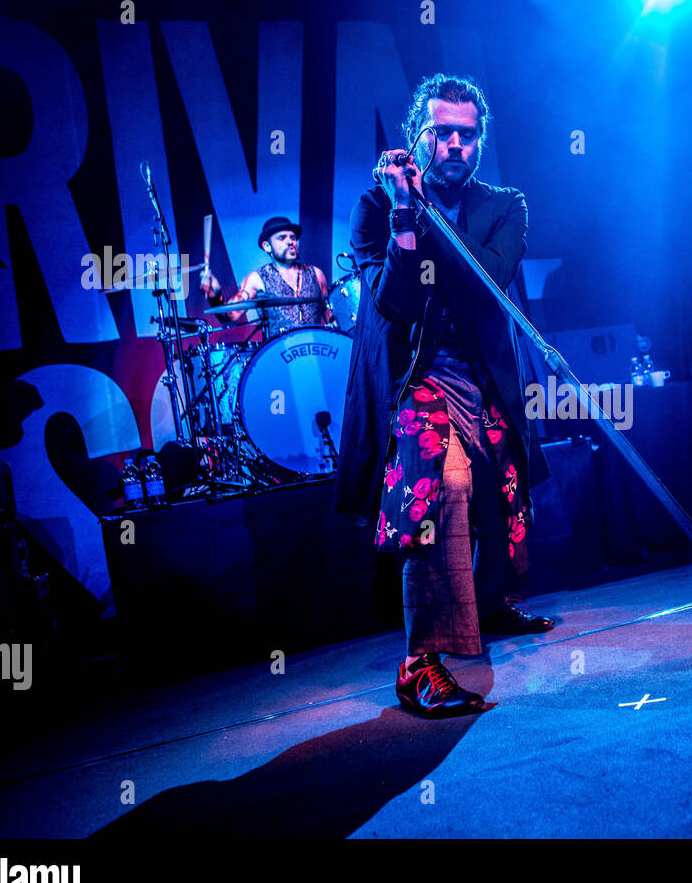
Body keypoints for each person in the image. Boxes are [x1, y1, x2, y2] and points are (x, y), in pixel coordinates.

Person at [335, 74, 554, 718]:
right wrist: (407, 212)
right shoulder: (377, 209)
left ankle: (487, 605)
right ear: (417, 136)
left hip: (483, 372)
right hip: (414, 374)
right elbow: (394, 305)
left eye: (469, 134)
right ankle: (420, 662)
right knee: (443, 484)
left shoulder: (506, 205)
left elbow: (487, 278)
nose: (456, 143)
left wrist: (425, 215)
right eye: (442, 132)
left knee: (497, 485)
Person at [203, 216, 332, 337]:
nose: (290, 242)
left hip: (316, 352)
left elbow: (331, 319)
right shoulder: (257, 279)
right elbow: (230, 317)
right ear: (267, 246)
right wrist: (215, 298)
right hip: (277, 355)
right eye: (282, 238)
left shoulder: (316, 274)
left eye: (292, 238)